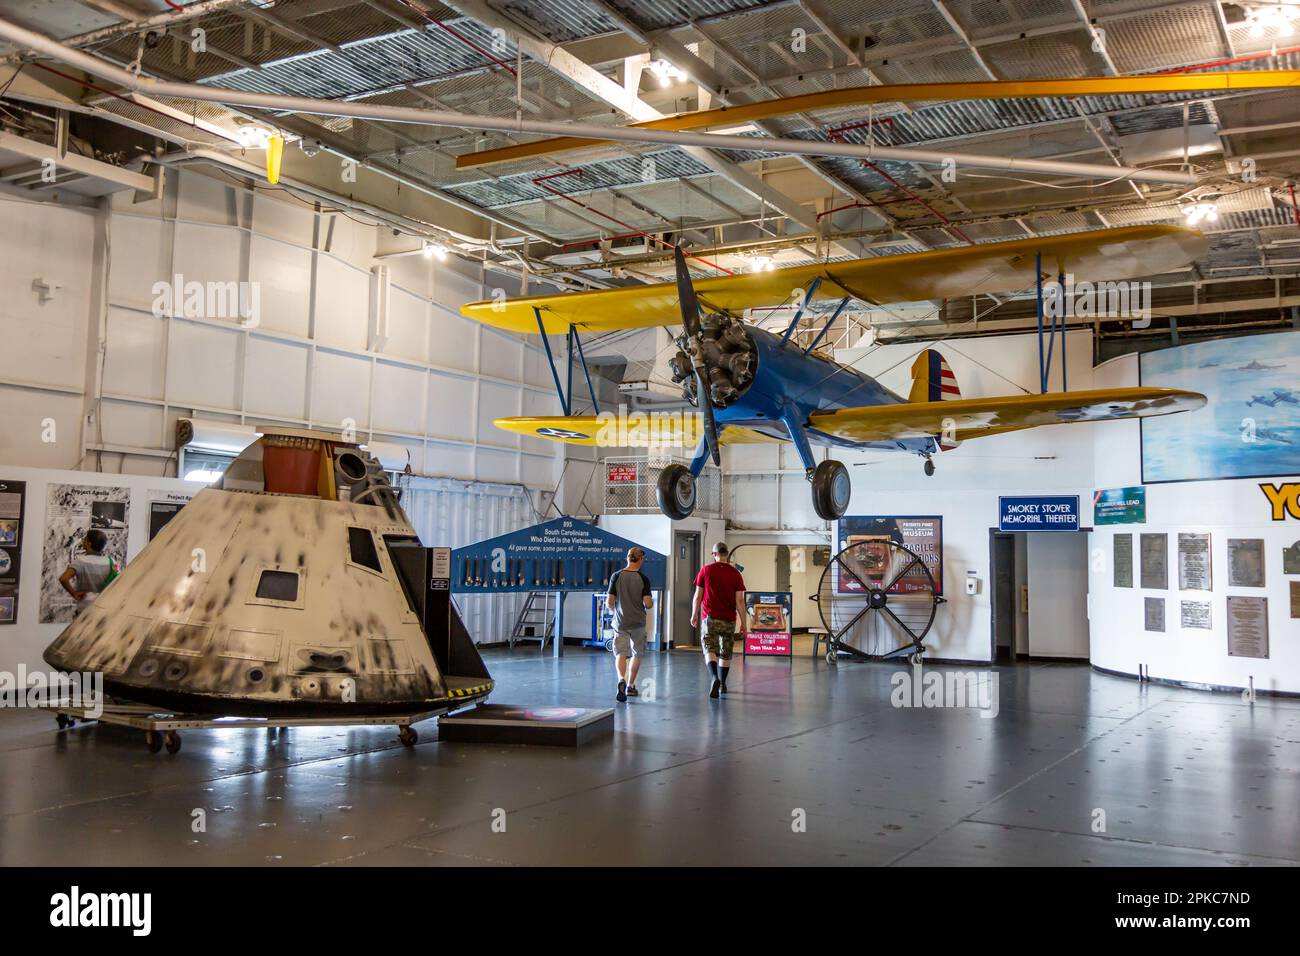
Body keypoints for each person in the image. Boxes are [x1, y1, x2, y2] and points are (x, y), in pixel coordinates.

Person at [690, 541, 746, 699]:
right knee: (725, 652)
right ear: (727, 554)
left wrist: (694, 614)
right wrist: (744, 623)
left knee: (709, 648)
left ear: (714, 554)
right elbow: (740, 601)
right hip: (729, 619)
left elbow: (698, 596)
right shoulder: (735, 573)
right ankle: (722, 684)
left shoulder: (706, 570)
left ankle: (714, 677)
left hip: (710, 618)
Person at [607, 547, 653, 703]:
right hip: (638, 622)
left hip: (620, 622)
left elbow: (609, 602)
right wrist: (649, 602)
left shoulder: (616, 576)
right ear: (640, 560)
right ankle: (631, 685)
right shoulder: (643, 578)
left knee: (620, 653)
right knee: (637, 653)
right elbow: (647, 604)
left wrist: (618, 610)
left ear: (627, 558)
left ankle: (621, 678)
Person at [58, 529, 119, 617]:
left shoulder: (80, 561)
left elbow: (63, 579)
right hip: (104, 608)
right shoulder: (111, 562)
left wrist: (74, 594)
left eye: (85, 539)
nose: (83, 541)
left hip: (85, 609)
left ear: (89, 543)